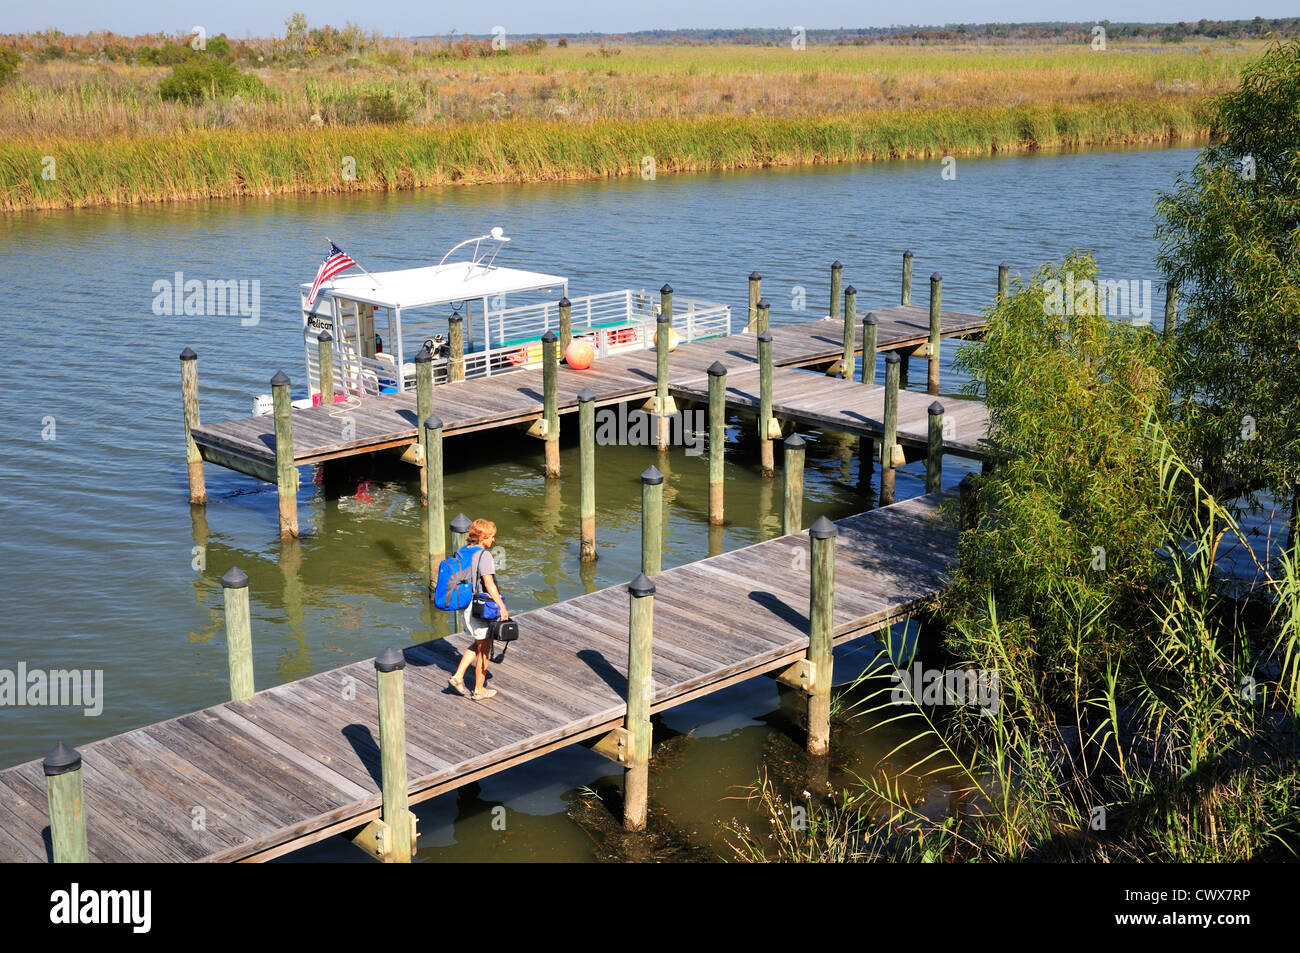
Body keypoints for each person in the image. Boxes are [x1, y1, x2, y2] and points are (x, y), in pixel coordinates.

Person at [447, 519, 509, 700]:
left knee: (478, 642)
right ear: (483, 537)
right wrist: (501, 606)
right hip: (479, 607)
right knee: (484, 647)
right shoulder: (484, 555)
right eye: (491, 537)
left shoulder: (463, 551)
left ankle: (458, 676)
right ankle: (479, 689)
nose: (493, 540)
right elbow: (489, 583)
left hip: (465, 604)